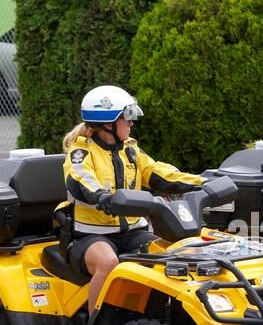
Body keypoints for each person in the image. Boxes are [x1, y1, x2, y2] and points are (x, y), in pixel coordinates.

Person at [58, 85, 204, 312]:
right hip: (89, 236)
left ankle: (159, 317)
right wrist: (102, 197)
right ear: (108, 123)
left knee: (171, 255)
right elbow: (80, 178)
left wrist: (201, 182)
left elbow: (158, 172)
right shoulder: (81, 153)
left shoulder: (131, 150)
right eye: (126, 118)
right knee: (108, 263)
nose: (131, 123)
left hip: (131, 233)